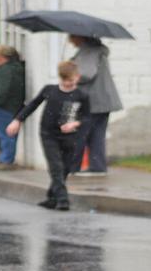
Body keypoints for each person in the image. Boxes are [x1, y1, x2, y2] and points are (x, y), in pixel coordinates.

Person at [6, 61, 89, 211]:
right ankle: (63, 199)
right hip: (49, 134)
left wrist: (75, 124)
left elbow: (88, 117)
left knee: (65, 168)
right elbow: (32, 105)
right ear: (60, 78)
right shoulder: (50, 90)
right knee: (55, 166)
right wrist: (18, 120)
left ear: (77, 77)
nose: (68, 83)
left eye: (71, 80)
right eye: (65, 80)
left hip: (71, 136)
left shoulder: (82, 95)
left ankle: (52, 197)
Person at [67, 34, 120, 177]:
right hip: (102, 99)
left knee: (81, 134)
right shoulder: (96, 51)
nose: (69, 40)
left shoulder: (89, 52)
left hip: (92, 100)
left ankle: (73, 167)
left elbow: (86, 74)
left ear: (80, 37)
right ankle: (98, 167)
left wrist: (69, 72)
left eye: (71, 37)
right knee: (96, 134)